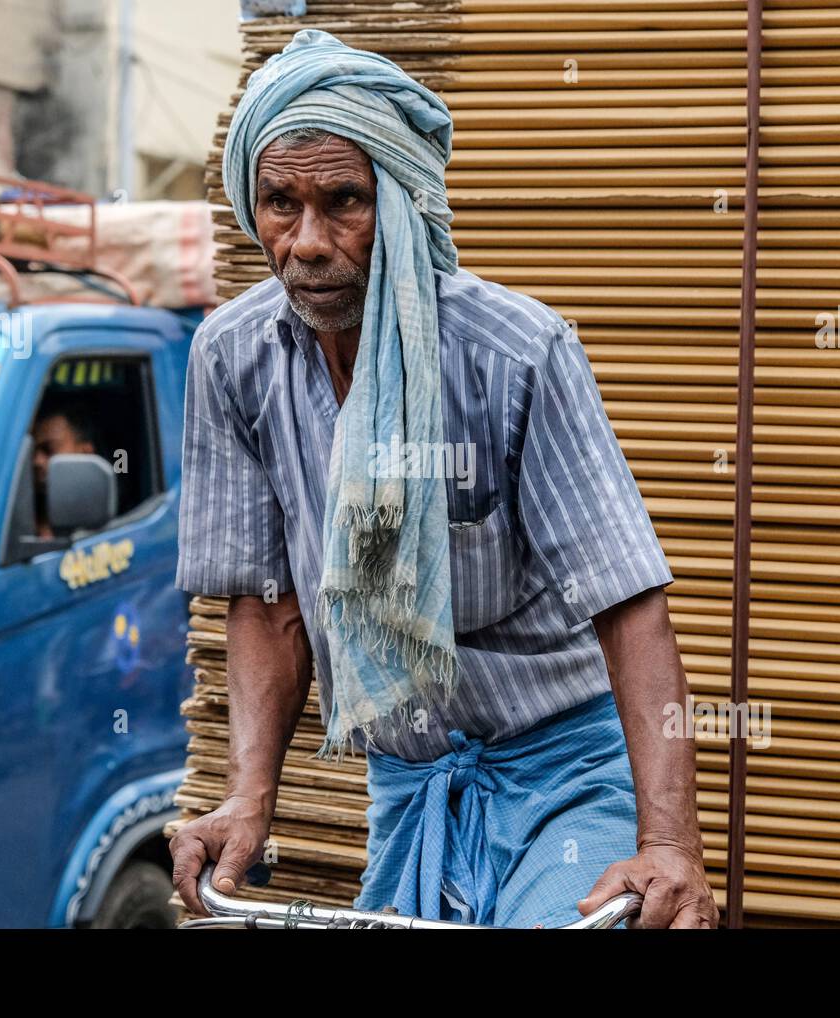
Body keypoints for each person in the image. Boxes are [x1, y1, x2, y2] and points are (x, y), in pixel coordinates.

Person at [170, 29, 719, 929]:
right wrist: (248, 798)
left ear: (401, 202)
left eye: (343, 200)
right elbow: (270, 606)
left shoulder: (516, 353)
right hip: (412, 784)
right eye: (279, 203)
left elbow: (629, 601)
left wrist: (669, 845)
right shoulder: (233, 359)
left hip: (567, 772)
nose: (306, 243)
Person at [31, 399, 97, 539]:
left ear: (86, 453)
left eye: (49, 449)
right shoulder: (14, 513)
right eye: (31, 452)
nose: (36, 461)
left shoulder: (107, 518)